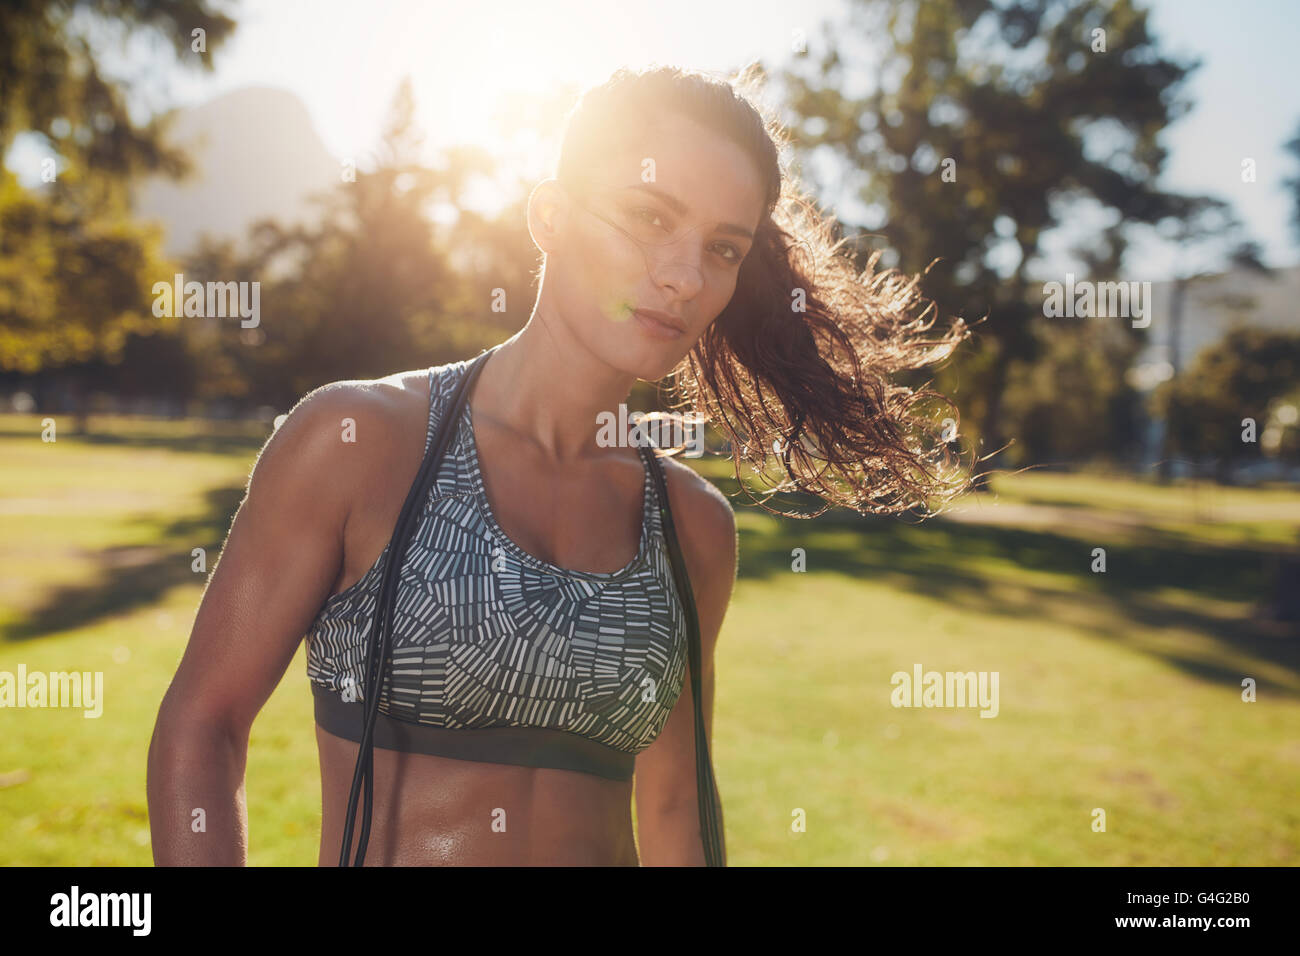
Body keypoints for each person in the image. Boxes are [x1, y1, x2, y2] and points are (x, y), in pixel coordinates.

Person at [146, 64, 971, 866]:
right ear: (550, 216)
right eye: (649, 217)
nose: (683, 276)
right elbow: (203, 724)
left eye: (722, 249)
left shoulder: (692, 528)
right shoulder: (358, 441)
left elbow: (678, 811)